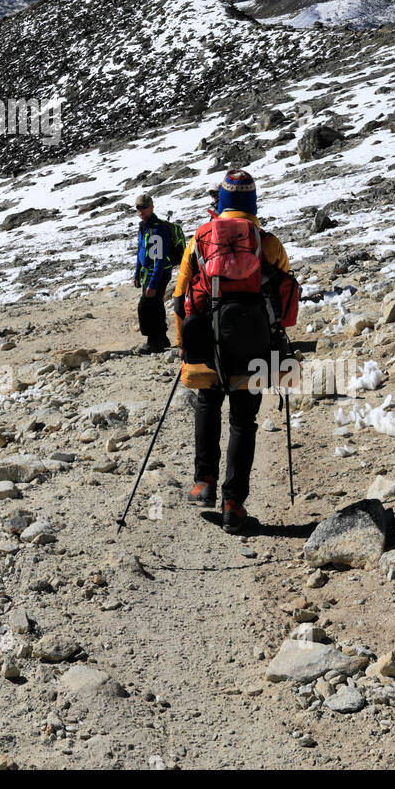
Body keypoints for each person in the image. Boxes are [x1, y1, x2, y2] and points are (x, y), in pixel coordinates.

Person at [172, 169, 296, 533]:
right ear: (253, 203)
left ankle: (203, 482)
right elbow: (286, 304)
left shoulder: (200, 238)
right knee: (244, 421)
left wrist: (185, 348)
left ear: (222, 203)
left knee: (207, 404)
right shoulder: (267, 243)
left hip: (208, 347)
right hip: (254, 350)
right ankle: (233, 504)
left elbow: (181, 299)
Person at [133, 192, 174, 354]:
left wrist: (153, 284)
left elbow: (160, 259)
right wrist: (137, 273)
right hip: (147, 273)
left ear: (151, 207)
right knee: (155, 306)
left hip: (158, 274)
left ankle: (153, 342)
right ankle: (161, 340)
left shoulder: (158, 230)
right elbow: (140, 251)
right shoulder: (144, 227)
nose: (141, 211)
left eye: (144, 207)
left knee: (145, 307)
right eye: (138, 208)